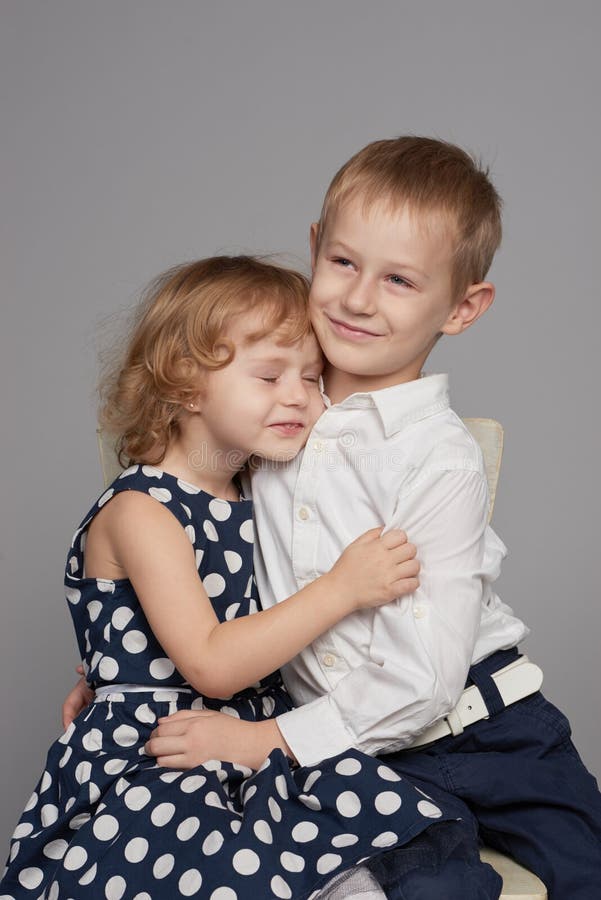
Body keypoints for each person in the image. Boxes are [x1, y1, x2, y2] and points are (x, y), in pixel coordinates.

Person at [141, 138, 601, 899]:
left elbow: (423, 678)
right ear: (314, 248)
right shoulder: (267, 422)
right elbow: (192, 548)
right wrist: (125, 671)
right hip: (363, 755)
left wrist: (269, 740)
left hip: (491, 725)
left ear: (460, 307)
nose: (358, 299)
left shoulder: (433, 457)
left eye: (398, 280)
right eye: (344, 263)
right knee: (431, 890)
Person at [0, 255, 460, 900]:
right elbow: (212, 666)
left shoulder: (264, 492)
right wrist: (341, 588)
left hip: (255, 737)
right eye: (269, 375)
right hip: (161, 750)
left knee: (378, 859)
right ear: (187, 387)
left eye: (310, 376)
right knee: (218, 864)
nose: (299, 396)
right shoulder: (143, 508)